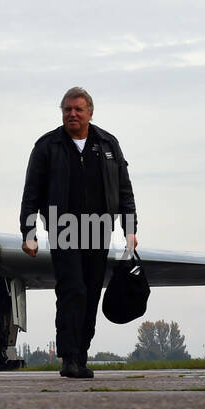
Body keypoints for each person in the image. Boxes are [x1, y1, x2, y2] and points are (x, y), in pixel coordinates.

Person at [19, 87, 138, 379]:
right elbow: (32, 193)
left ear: (90, 113)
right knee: (72, 290)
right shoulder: (47, 146)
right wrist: (29, 231)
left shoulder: (108, 145)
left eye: (78, 109)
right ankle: (69, 358)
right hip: (64, 228)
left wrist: (130, 229)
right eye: (67, 110)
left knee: (92, 293)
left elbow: (124, 190)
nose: (72, 114)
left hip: (99, 230)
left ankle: (81, 353)